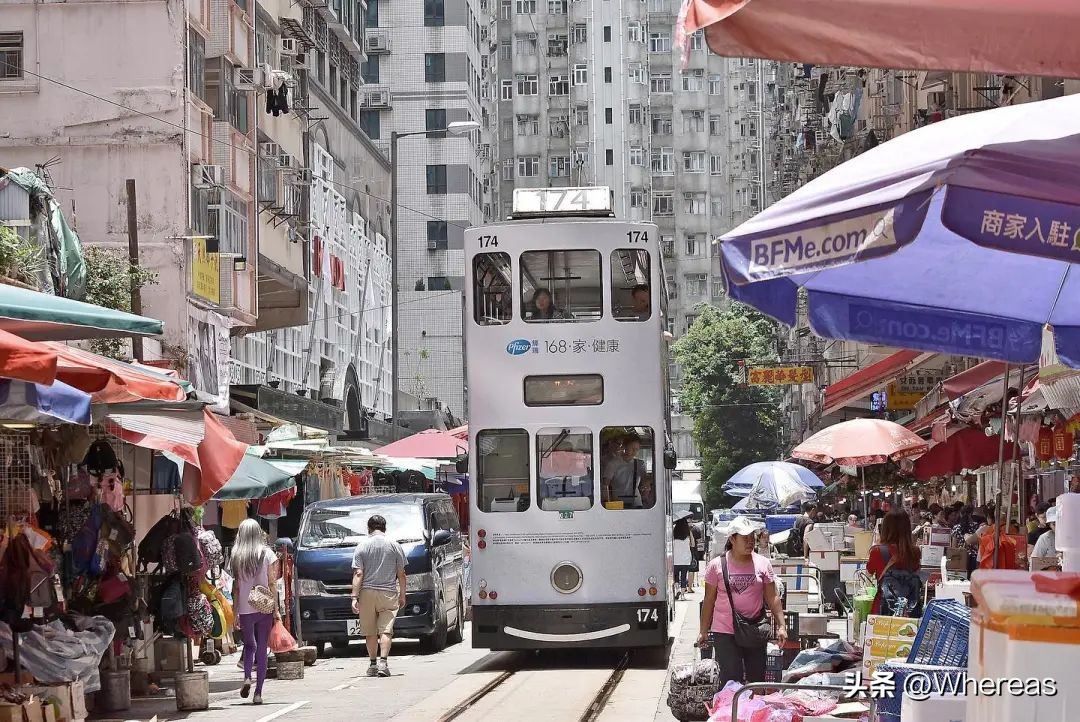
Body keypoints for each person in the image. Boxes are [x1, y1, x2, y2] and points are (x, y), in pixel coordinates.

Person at [698, 517, 787, 687]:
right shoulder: (716, 566)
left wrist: (782, 626)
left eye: (752, 538)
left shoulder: (763, 563)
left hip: (755, 630)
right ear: (732, 539)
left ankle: (753, 711)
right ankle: (733, 713)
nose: (750, 542)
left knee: (757, 681)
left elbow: (772, 596)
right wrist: (703, 630)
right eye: (745, 538)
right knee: (731, 682)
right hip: (725, 631)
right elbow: (709, 600)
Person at [229, 519, 279, 705]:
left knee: (249, 646)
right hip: (263, 604)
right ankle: (258, 693)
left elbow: (235, 587)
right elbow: (272, 582)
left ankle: (247, 677)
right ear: (258, 532)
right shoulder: (267, 553)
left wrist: (235, 613)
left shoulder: (236, 554)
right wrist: (276, 610)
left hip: (244, 606)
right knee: (262, 648)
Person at [351, 514, 407, 678]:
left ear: (369, 528)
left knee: (370, 632)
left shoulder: (361, 546)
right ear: (385, 528)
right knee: (386, 630)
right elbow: (402, 574)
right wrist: (402, 594)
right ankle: (383, 662)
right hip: (388, 593)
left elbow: (358, 573)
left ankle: (373, 664)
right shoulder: (394, 545)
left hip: (366, 593)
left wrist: (354, 597)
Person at [866, 510, 922, 616]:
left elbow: (868, 574)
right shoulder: (915, 552)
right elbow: (916, 572)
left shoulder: (877, 551)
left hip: (882, 609)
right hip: (908, 611)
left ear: (885, 529)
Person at [601, 434, 644, 507]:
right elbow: (606, 485)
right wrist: (608, 502)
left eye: (637, 449)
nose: (634, 451)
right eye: (632, 448)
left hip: (636, 503)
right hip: (618, 504)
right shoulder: (613, 464)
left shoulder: (640, 464)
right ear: (625, 447)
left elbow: (645, 479)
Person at [673, 518, 694, 598]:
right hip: (685, 559)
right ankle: (682, 595)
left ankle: (677, 589)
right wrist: (690, 532)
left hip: (675, 559)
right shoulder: (688, 533)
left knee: (676, 576)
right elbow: (693, 545)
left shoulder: (674, 533)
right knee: (684, 576)